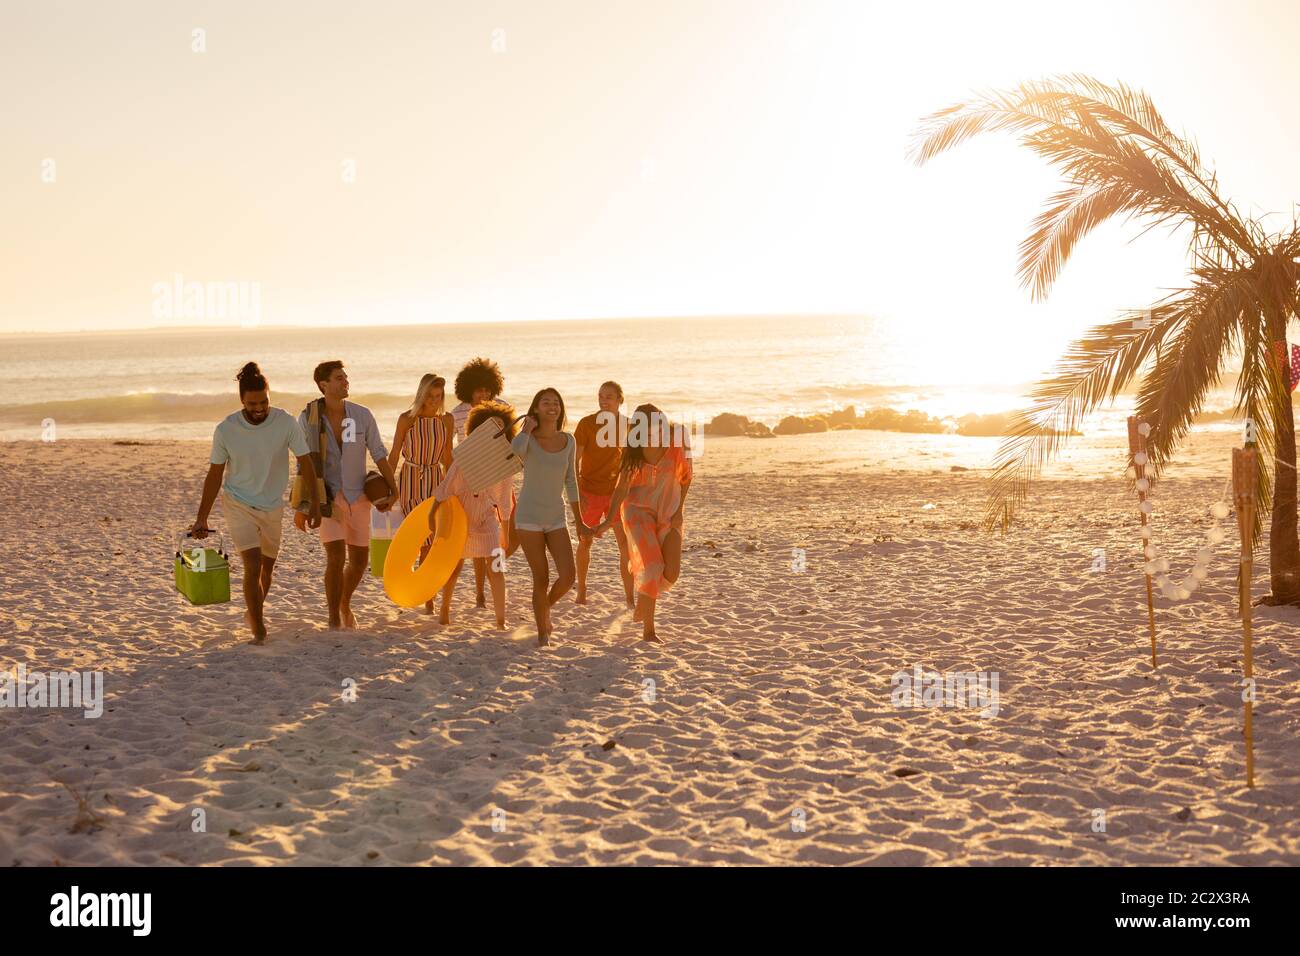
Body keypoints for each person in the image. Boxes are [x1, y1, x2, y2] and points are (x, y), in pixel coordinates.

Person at [190, 362, 320, 645]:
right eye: (252, 403)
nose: (259, 408)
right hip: (238, 503)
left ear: (269, 396)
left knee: (267, 569)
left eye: (264, 401)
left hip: (272, 505)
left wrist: (316, 503)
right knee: (252, 564)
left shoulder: (285, 422)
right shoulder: (226, 429)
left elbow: (306, 462)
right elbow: (214, 474)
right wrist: (202, 517)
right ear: (242, 401)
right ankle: (259, 629)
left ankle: (254, 612)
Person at [298, 360, 398, 631]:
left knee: (359, 561)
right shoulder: (309, 417)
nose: (346, 381)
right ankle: (333, 617)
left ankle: (344, 602)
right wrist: (305, 505)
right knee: (335, 557)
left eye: (345, 377)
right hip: (328, 496)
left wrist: (394, 487)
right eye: (339, 378)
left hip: (359, 496)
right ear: (324, 385)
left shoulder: (362, 415)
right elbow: (304, 462)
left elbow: (378, 452)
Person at [596, 404, 693, 643]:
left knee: (671, 573)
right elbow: (621, 488)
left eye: (657, 425)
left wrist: (679, 511)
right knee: (652, 567)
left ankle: (644, 595)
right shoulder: (634, 452)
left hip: (668, 510)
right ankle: (649, 631)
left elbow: (686, 478)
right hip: (637, 511)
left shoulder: (675, 446)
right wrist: (609, 519)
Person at [511, 388, 592, 646]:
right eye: (545, 402)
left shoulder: (569, 440)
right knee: (541, 578)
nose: (552, 406)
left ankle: (543, 608)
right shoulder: (529, 441)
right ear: (536, 409)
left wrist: (580, 521)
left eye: (556, 402)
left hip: (556, 517)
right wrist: (526, 429)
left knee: (568, 577)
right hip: (528, 517)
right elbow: (515, 452)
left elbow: (571, 481)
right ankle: (543, 632)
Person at [427, 401, 518, 629]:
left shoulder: (504, 461)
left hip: (486, 518)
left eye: (500, 426)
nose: (495, 431)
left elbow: (504, 502)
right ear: (477, 428)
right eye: (489, 425)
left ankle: (500, 620)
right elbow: (446, 486)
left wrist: (504, 534)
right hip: (460, 517)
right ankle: (445, 609)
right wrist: (432, 514)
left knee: (497, 567)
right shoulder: (466, 456)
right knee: (454, 567)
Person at [391, 373, 454, 614]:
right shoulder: (407, 419)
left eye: (438, 396)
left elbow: (448, 456)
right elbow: (395, 452)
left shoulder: (446, 420)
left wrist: (451, 486)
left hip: (434, 481)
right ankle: (414, 587)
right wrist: (390, 486)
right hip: (410, 478)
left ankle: (427, 594)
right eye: (430, 396)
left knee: (431, 538)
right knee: (415, 537)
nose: (434, 401)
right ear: (421, 394)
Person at [450, 357, 506, 609]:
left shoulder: (501, 407)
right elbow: (449, 448)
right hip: (469, 481)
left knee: (494, 538)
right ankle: (479, 592)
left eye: (487, 388)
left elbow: (511, 441)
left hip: (496, 478)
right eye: (478, 388)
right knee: (472, 538)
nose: (483, 393)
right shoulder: (458, 412)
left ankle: (490, 588)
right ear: (468, 388)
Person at [573, 381, 632, 606]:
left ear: (620, 400)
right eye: (600, 396)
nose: (603, 400)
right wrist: (579, 493)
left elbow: (631, 464)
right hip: (590, 491)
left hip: (616, 493)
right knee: (585, 541)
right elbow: (574, 461)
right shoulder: (587, 424)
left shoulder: (628, 425)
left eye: (609, 396)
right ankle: (582, 590)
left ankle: (629, 597)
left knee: (624, 544)